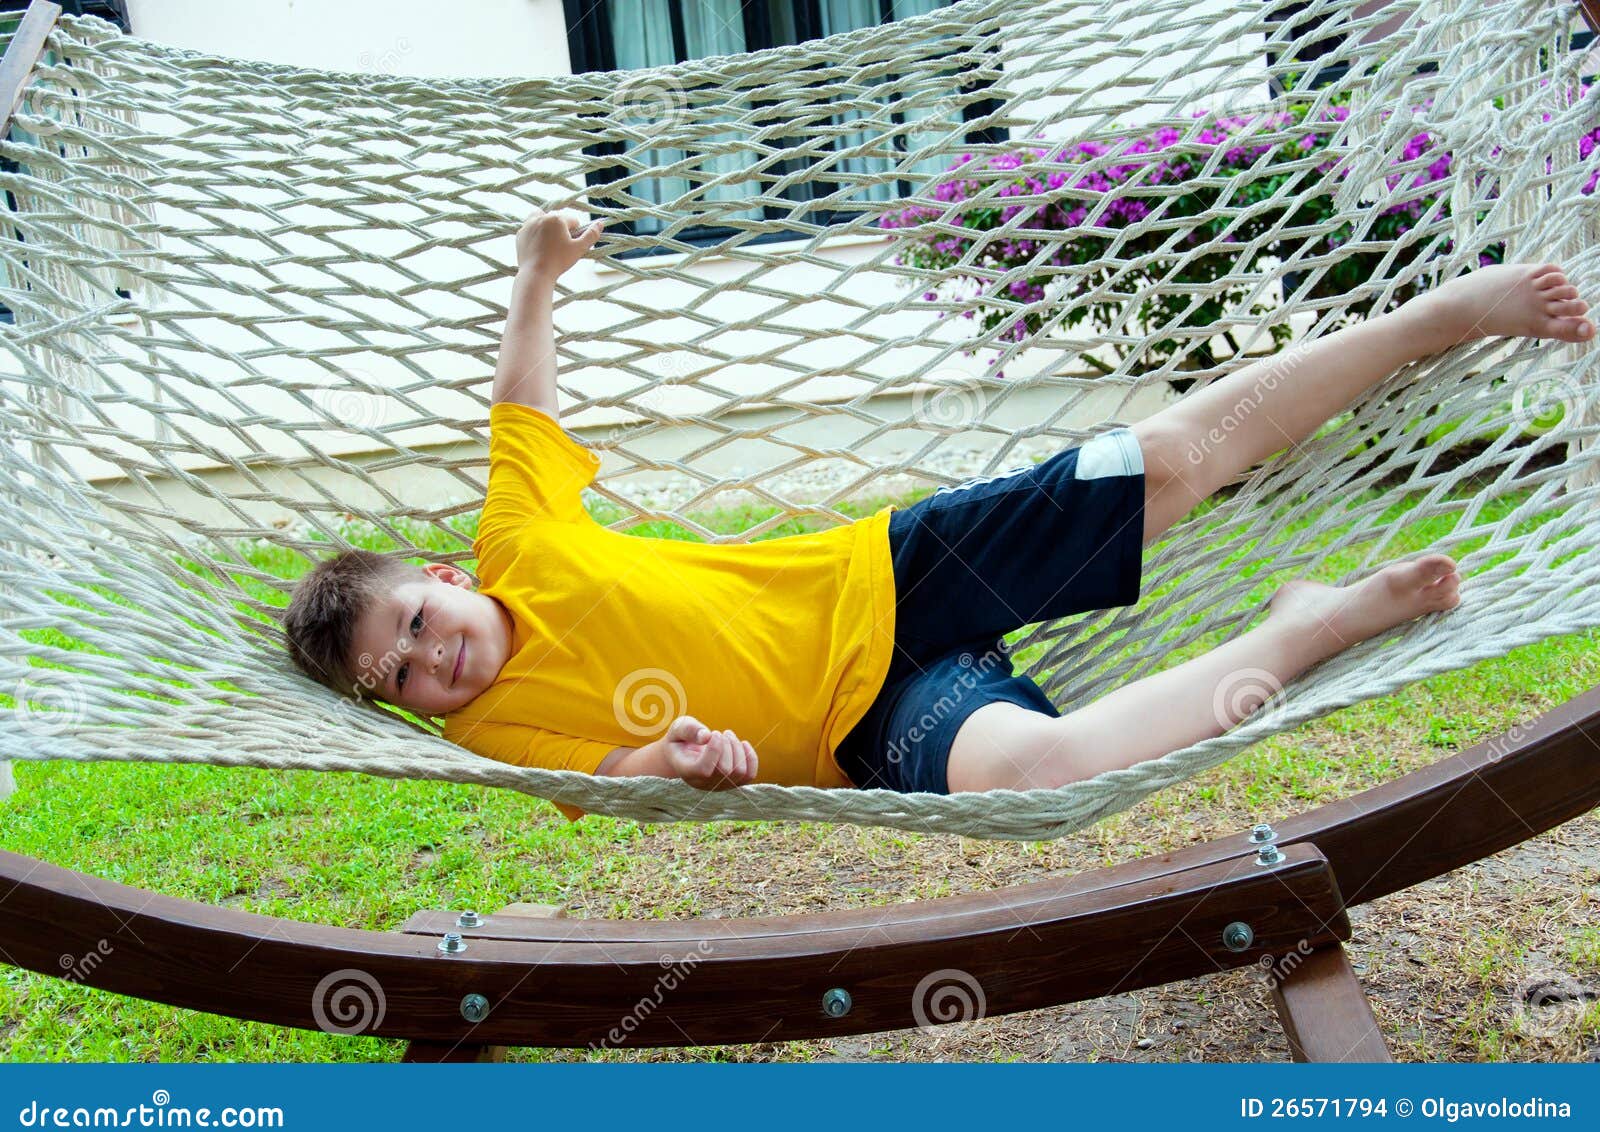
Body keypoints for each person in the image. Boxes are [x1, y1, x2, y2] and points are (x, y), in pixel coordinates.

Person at [283, 207, 1594, 821]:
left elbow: (522, 403)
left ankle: (1438, 317)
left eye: (414, 619)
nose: (429, 660)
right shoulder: (503, 738)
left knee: (1178, 459)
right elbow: (609, 783)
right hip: (870, 722)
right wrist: (671, 764)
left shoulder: (520, 536)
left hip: (895, 574)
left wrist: (537, 275)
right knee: (1045, 779)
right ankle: (1311, 625)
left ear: (447, 572)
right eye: (398, 678)